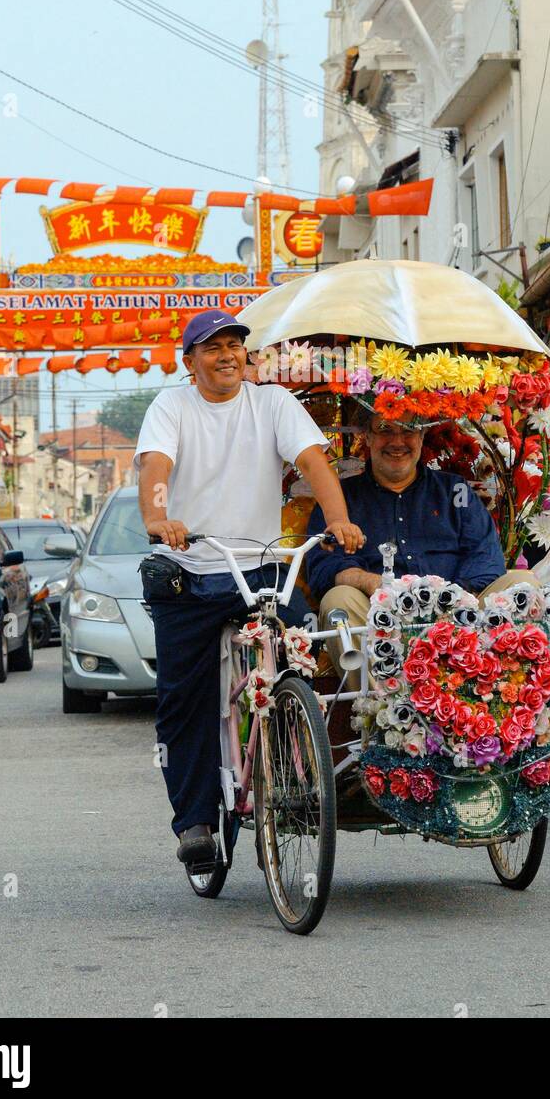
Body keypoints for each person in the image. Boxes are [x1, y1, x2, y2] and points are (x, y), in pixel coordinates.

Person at [135, 311, 365, 871]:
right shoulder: (173, 407)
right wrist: (159, 518)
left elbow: (312, 460)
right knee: (184, 701)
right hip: (188, 571)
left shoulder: (272, 404)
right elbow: (156, 466)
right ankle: (193, 822)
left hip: (257, 570)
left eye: (236, 345)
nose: (227, 355)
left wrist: (338, 520)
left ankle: (294, 775)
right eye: (212, 348)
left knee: (305, 656)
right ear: (190, 362)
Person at [306, 412, 517, 682]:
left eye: (408, 430)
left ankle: (491, 703)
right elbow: (323, 568)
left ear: (421, 436)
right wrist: (370, 583)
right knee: (338, 600)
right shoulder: (340, 498)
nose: (397, 441)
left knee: (522, 583)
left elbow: (487, 559)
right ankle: (380, 711)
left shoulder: (456, 491)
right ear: (367, 436)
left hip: (458, 618)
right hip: (379, 621)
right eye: (384, 429)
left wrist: (448, 601)